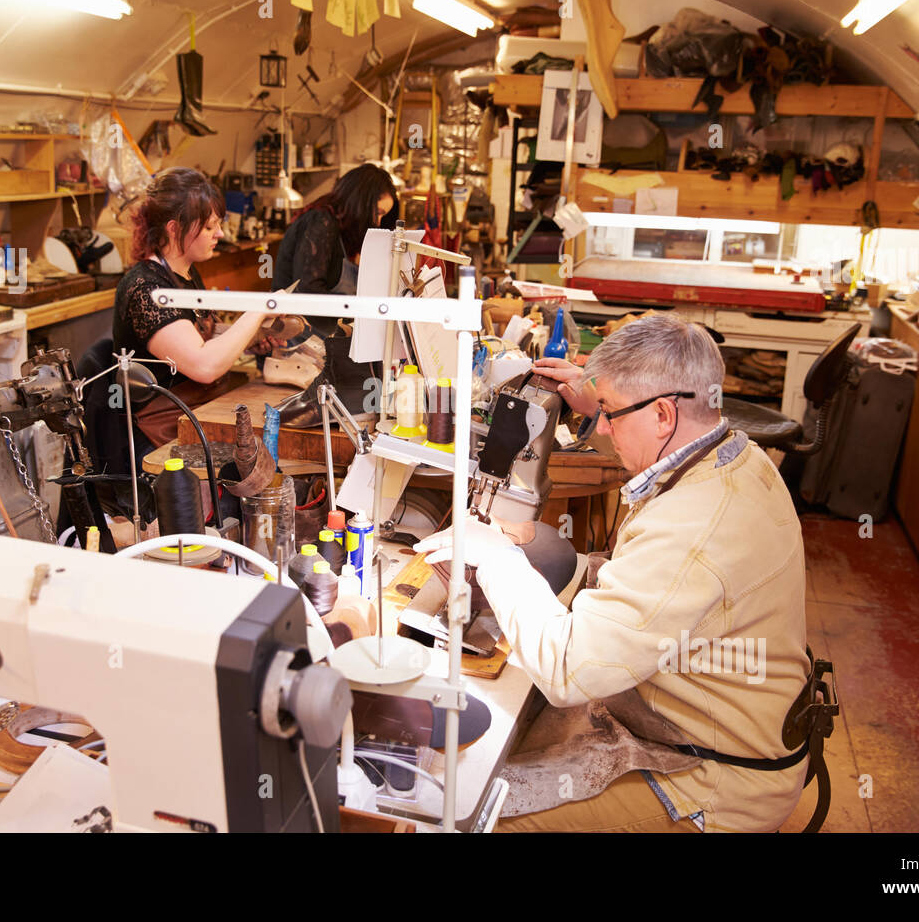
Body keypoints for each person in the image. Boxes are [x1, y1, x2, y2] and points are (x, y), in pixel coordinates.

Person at [416, 313, 810, 832]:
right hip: (703, 720)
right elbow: (651, 465)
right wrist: (595, 405)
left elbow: (567, 672)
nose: (602, 428)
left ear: (663, 414)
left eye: (610, 414)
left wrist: (495, 558)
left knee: (474, 818)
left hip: (713, 779)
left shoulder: (696, 526)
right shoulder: (731, 454)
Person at [112, 167, 278, 445]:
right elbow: (204, 366)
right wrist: (259, 309)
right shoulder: (147, 289)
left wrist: (249, 339)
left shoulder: (185, 274)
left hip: (195, 412)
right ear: (174, 229)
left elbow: (197, 340)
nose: (220, 234)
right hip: (160, 433)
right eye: (210, 227)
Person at [272, 163, 398, 334]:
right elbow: (309, 290)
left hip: (321, 331)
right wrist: (356, 311)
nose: (377, 222)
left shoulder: (341, 228)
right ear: (360, 202)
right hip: (295, 333)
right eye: (378, 212)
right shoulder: (321, 222)